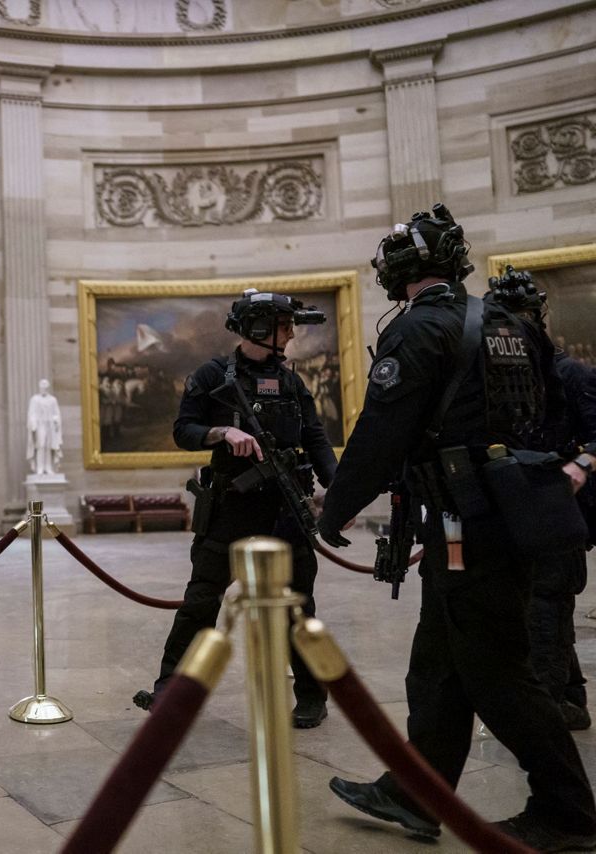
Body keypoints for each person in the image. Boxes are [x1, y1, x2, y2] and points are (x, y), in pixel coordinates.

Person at [317, 205, 596, 851]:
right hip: (507, 515)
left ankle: (569, 812)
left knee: (498, 673)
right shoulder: (508, 321)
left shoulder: (419, 329)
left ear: (405, 266)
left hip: (467, 522)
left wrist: (335, 510)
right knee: (438, 668)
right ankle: (415, 794)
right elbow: (552, 416)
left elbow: (380, 433)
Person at [134, 289, 337, 729]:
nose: (291, 333)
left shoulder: (290, 381)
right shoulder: (211, 376)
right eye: (284, 326)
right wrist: (221, 432)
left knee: (298, 606)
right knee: (201, 600)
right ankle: (171, 690)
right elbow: (183, 430)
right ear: (259, 329)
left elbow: (317, 438)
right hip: (232, 507)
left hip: (285, 508)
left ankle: (310, 697)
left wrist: (337, 491)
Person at [486, 266, 595, 732]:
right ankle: (570, 700)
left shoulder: (571, 374)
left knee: (547, 607)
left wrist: (582, 463)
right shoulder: (506, 379)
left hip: (561, 509)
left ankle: (547, 712)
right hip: (526, 508)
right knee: (543, 603)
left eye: (523, 316)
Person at [27, 378, 63, 475]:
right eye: (42, 387)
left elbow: (57, 413)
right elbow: (32, 413)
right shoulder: (35, 399)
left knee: (48, 446)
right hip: (40, 424)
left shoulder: (52, 400)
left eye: (45, 387)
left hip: (49, 424)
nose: (44, 389)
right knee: (41, 445)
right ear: (40, 387)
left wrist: (56, 419)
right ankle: (40, 467)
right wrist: (33, 423)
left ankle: (48, 467)